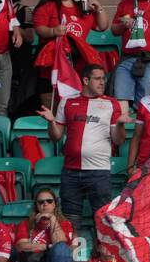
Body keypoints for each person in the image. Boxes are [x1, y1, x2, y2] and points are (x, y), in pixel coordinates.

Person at [41, 63, 126, 236]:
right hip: (71, 171)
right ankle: (73, 259)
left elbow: (118, 140)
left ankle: (104, 260)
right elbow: (56, 136)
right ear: (85, 80)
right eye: (97, 79)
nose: (102, 82)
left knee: (103, 220)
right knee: (70, 222)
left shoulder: (112, 103)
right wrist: (51, 121)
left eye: (104, 78)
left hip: (99, 171)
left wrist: (121, 124)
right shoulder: (67, 102)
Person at [30, 0, 106, 108]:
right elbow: (39, 29)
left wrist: (98, 7)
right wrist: (53, 31)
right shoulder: (47, 7)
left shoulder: (83, 8)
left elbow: (102, 26)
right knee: (51, 103)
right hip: (52, 62)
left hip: (78, 61)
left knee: (76, 103)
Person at [10, 190, 75, 262]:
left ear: (55, 204)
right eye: (41, 202)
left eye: (49, 201)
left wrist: (52, 218)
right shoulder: (26, 224)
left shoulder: (64, 223)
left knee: (61, 248)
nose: (45, 204)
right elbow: (21, 246)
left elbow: (60, 244)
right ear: (36, 205)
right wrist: (47, 246)